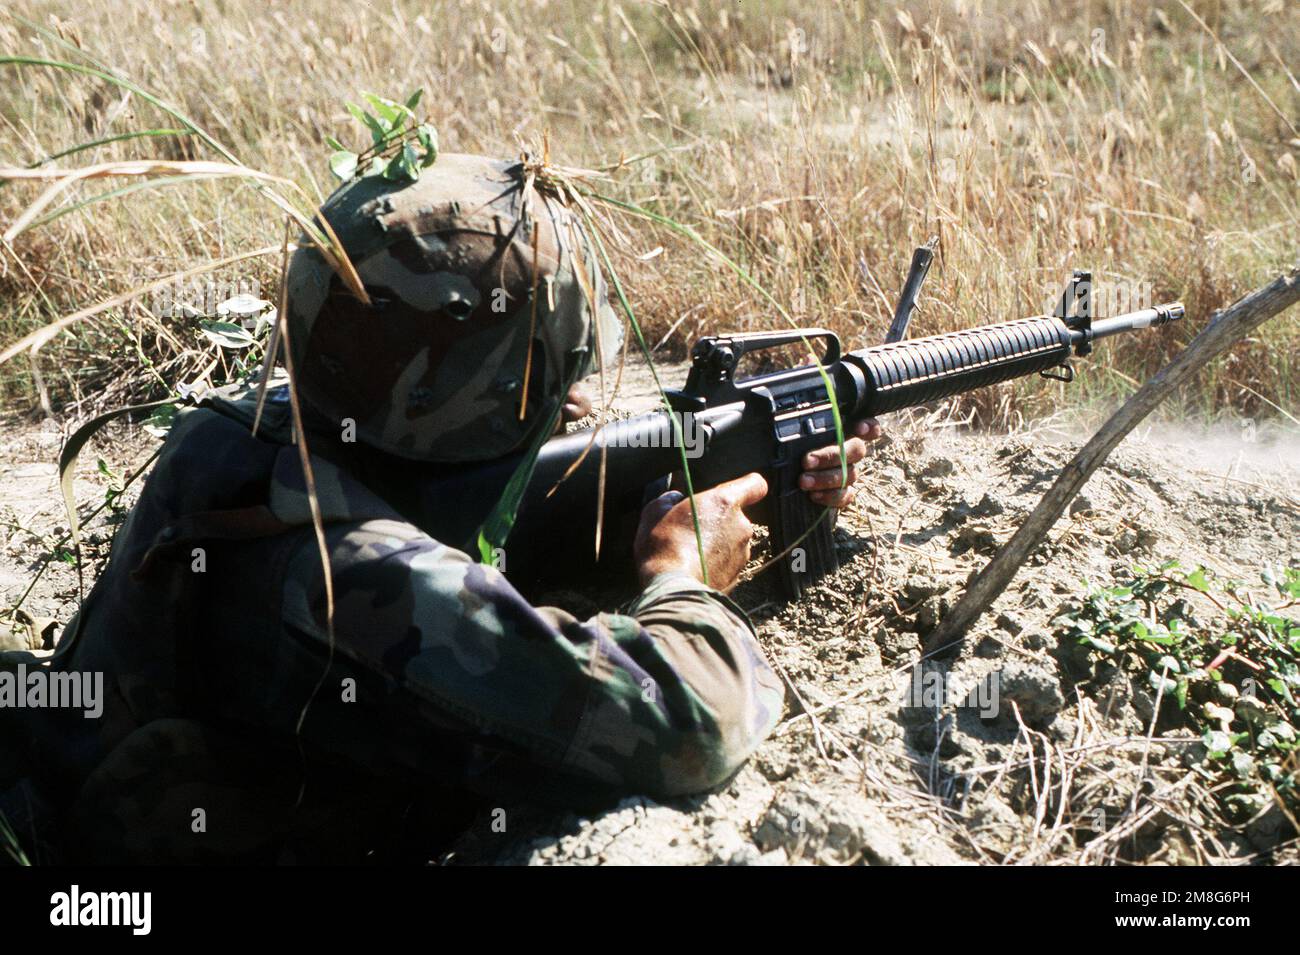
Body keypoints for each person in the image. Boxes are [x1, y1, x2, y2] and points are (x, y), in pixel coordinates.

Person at [1, 152, 880, 863]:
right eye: (555, 393)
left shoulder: (241, 435)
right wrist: (684, 574)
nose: (574, 409)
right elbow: (688, 723)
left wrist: (779, 503)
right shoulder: (363, 581)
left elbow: (467, 549)